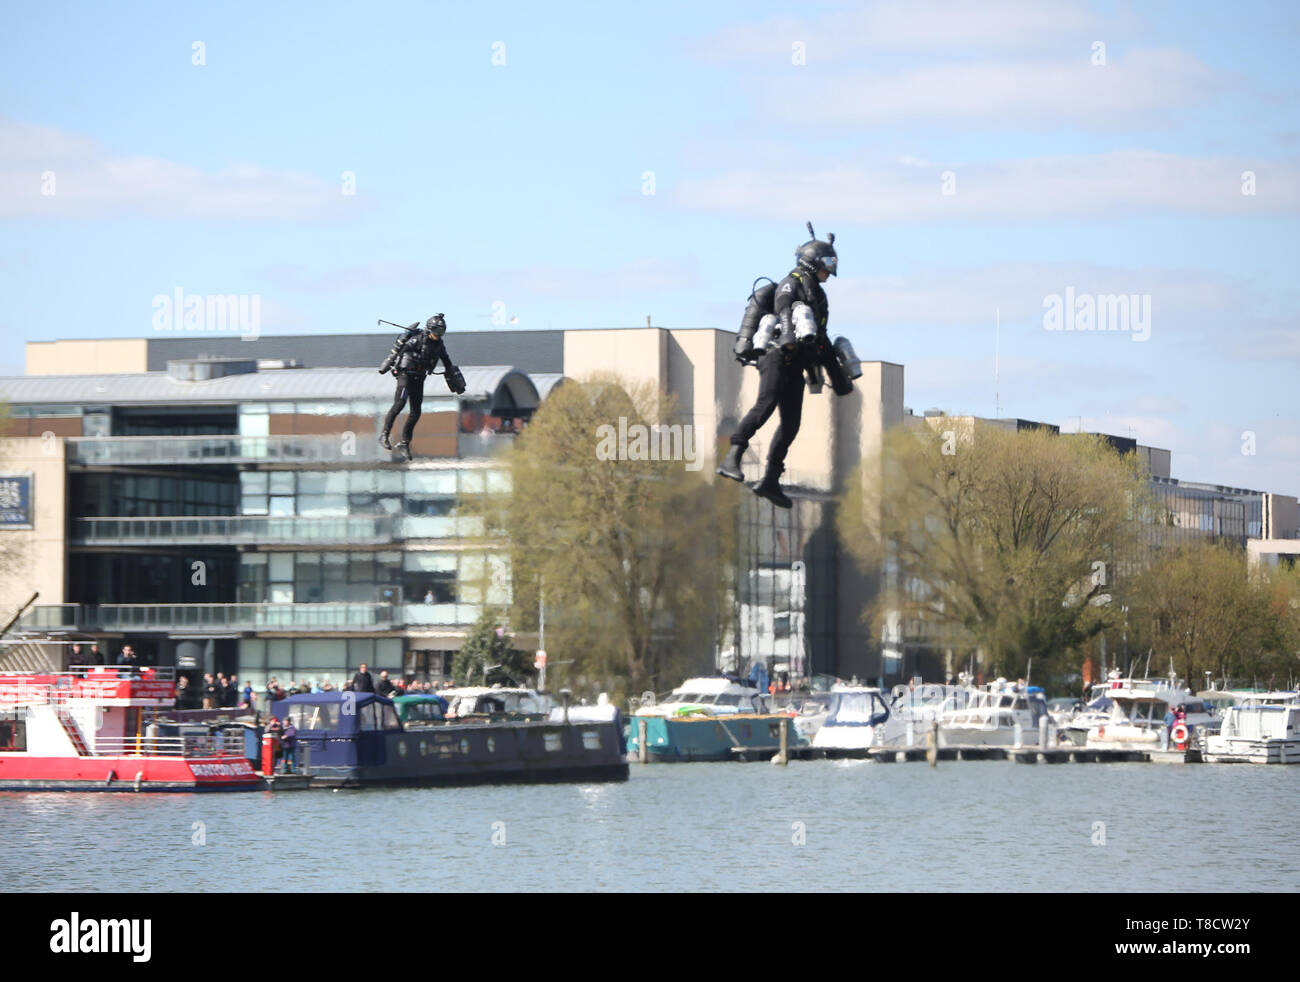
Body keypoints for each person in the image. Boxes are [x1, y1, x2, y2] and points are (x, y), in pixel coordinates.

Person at [718, 223, 846, 508]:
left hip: (796, 364)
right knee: (765, 405)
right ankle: (732, 457)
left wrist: (837, 377)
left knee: (791, 423)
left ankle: (771, 479)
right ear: (812, 262)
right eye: (826, 263)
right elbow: (785, 309)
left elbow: (821, 338)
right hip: (777, 356)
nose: (830, 269)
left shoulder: (819, 296)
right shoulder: (791, 282)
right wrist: (787, 335)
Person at [378, 314, 467, 461]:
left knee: (416, 412)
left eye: (442, 332)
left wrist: (455, 379)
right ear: (430, 329)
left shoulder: (439, 346)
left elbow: (447, 362)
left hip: (419, 377)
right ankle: (384, 435)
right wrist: (395, 365)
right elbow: (402, 350)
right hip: (406, 375)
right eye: (437, 332)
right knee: (400, 404)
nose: (439, 335)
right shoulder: (418, 338)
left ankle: (404, 442)